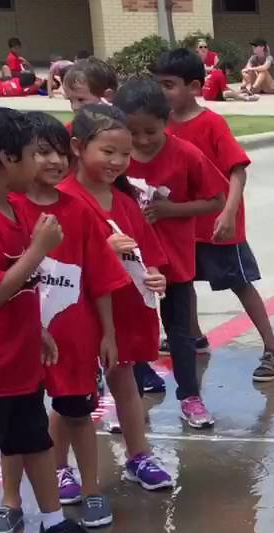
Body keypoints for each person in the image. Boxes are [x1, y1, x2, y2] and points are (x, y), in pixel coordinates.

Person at [0, 105, 106, 533]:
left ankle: (53, 525)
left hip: (19, 363)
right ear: (6, 159)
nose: (40, 164)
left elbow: (19, 289)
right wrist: (38, 250)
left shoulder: (14, 209)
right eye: (32, 154)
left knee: (34, 442)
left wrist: (35, 330)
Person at [0, 112, 129, 526]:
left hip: (74, 336)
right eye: (41, 153)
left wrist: (108, 333)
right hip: (19, 336)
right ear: (17, 157)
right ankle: (10, 501)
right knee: (17, 423)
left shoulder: (78, 212)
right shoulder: (8, 210)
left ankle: (91, 489)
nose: (55, 161)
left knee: (77, 412)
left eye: (60, 153)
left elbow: (100, 278)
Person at [60, 103, 176, 494]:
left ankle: (138, 454)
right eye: (107, 151)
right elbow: (54, 260)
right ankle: (58, 466)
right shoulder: (64, 199)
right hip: (79, 310)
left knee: (125, 379)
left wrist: (155, 275)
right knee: (73, 390)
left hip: (124, 306)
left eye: (125, 154)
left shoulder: (124, 201)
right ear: (78, 147)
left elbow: (148, 251)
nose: (117, 161)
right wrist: (103, 249)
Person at [154, 48, 274, 382]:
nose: (162, 92)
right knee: (182, 282)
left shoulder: (212, 123)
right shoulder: (158, 125)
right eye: (158, 85)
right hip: (181, 223)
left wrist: (228, 213)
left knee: (239, 283)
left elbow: (237, 170)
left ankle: (273, 347)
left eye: (169, 85)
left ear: (194, 87)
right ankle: (194, 336)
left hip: (217, 223)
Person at [116, 77, 229, 429]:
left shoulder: (186, 154)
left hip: (174, 260)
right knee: (132, 332)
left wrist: (170, 210)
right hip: (130, 264)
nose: (142, 141)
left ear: (166, 121)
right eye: (133, 133)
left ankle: (190, 396)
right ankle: (130, 399)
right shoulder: (114, 159)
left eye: (150, 131)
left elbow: (216, 199)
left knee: (180, 331)